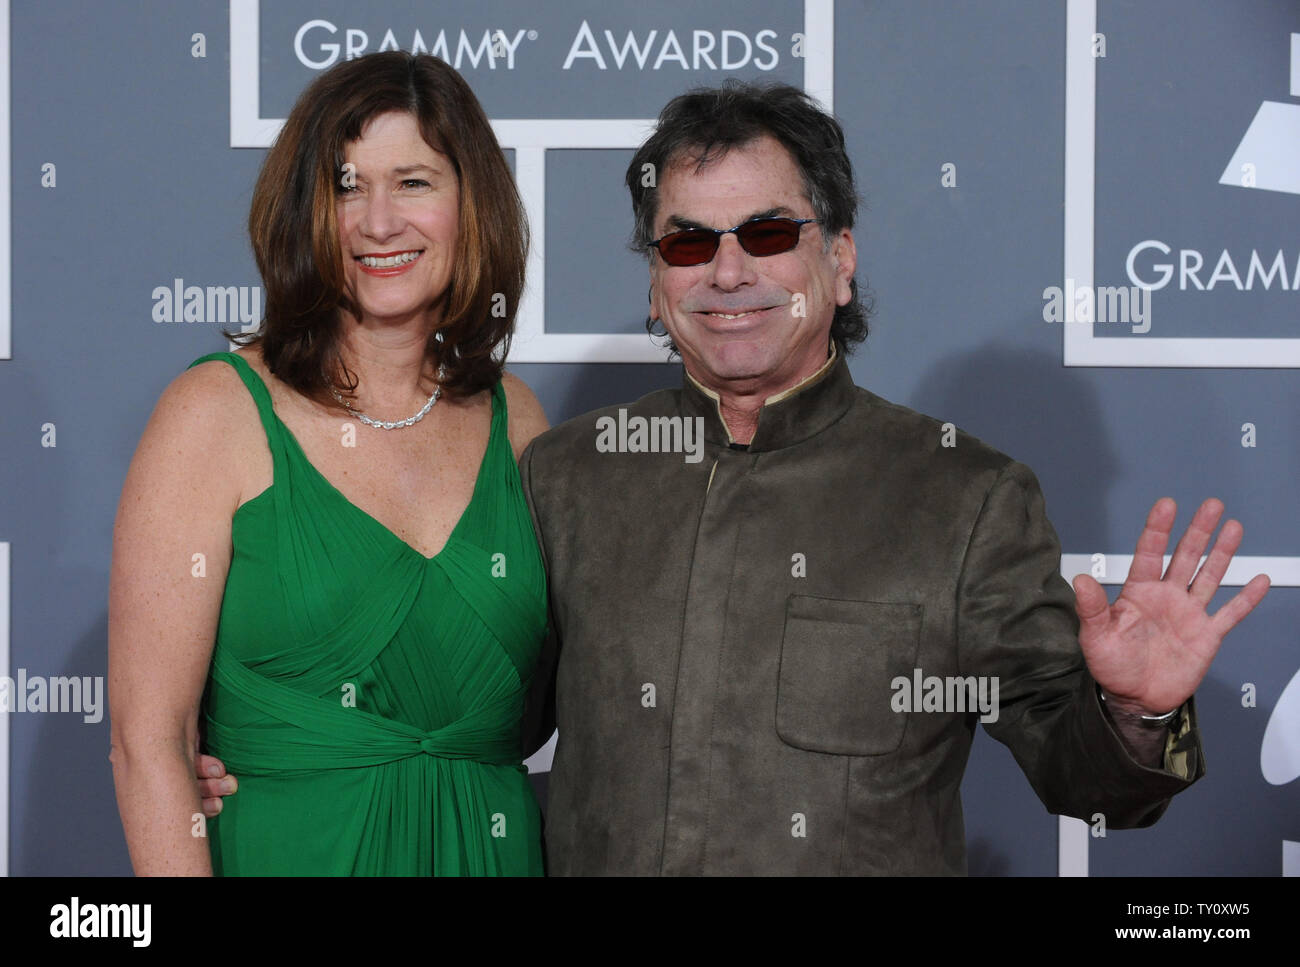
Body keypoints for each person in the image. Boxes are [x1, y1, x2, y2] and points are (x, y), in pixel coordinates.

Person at [199, 82, 1270, 876]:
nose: (728, 271)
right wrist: (254, 745)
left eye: (767, 232)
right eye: (686, 242)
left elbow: (1083, 777)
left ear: (838, 258)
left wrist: (1133, 712)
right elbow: (477, 715)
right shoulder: (565, 475)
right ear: (655, 283)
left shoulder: (964, 497)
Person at [109, 51, 550, 875]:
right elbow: (147, 743)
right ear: (305, 210)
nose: (379, 222)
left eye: (414, 182)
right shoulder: (216, 413)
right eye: (347, 185)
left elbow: (561, 702)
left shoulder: (517, 419)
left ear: (471, 203)